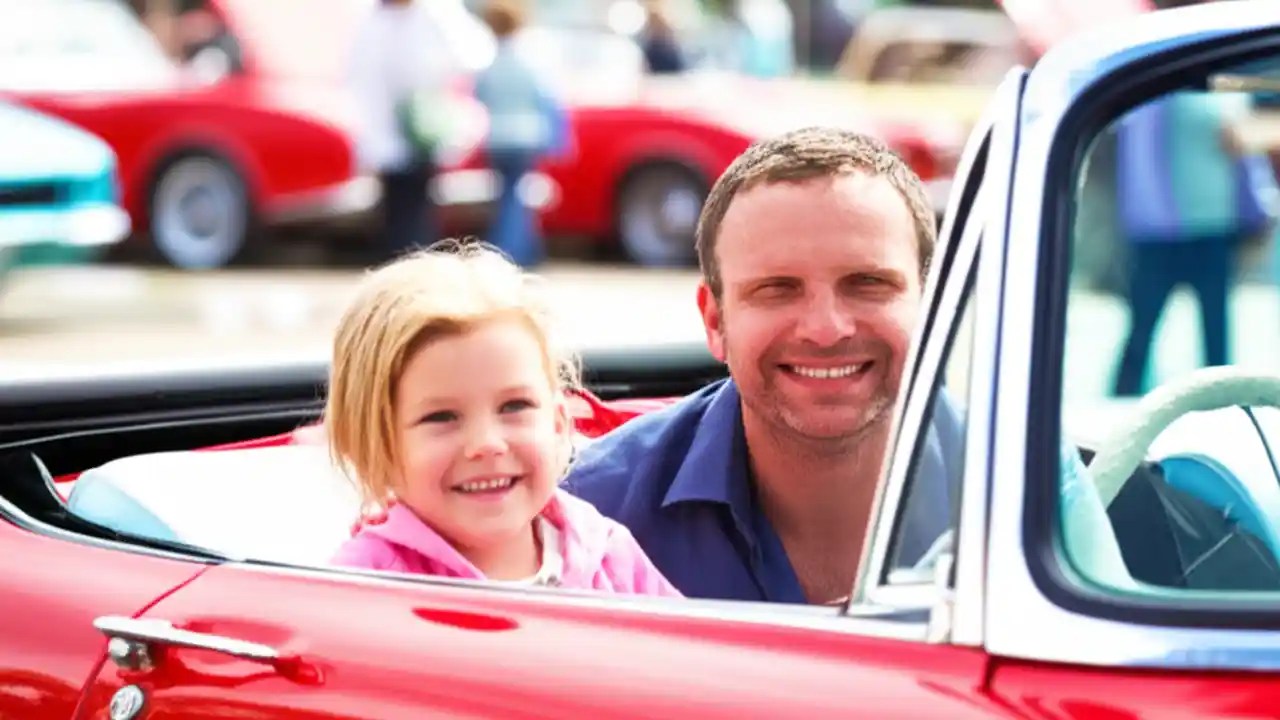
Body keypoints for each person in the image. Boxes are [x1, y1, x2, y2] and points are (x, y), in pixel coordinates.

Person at [563, 127, 953, 605]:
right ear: (714, 322)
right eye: (777, 289)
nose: (825, 329)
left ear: (935, 305)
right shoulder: (589, 513)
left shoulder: (1032, 497)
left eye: (867, 282)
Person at [327, 241, 680, 596]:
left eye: (515, 406)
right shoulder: (360, 590)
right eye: (441, 417)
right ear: (375, 446)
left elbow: (688, 649)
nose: (486, 444)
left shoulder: (609, 559)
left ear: (558, 424)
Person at [347, 0, 461, 260]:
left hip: (417, 134)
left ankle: (408, 262)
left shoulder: (383, 23)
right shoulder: (388, 23)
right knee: (403, 210)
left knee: (410, 209)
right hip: (400, 136)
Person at [472, 0, 568, 267]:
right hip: (526, 136)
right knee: (515, 195)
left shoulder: (490, 63)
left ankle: (526, 248)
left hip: (497, 137)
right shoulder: (529, 61)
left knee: (508, 194)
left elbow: (480, 95)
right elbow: (546, 99)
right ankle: (509, 250)